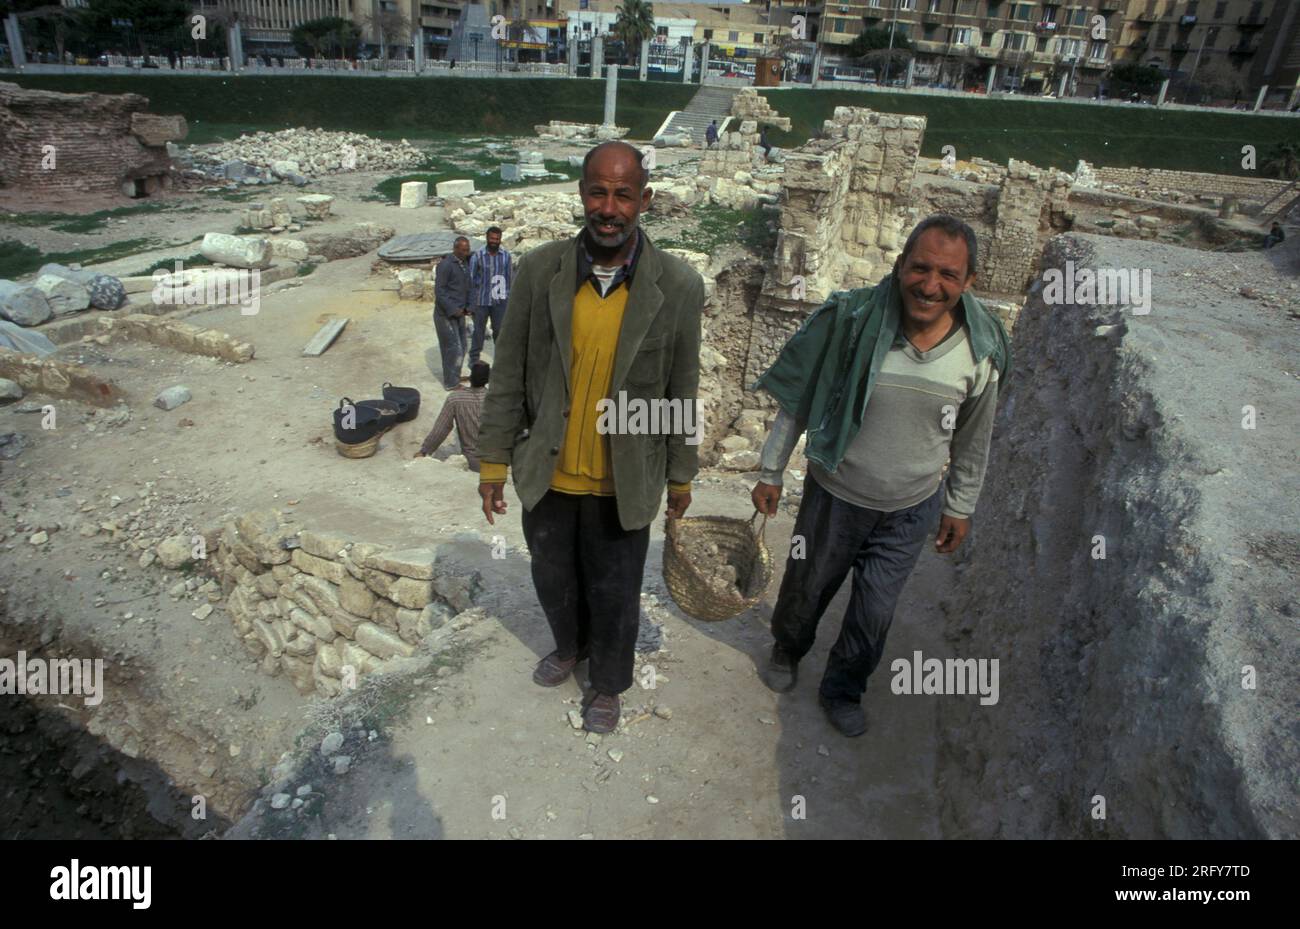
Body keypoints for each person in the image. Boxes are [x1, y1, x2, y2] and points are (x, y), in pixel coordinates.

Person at [750, 214, 1011, 738]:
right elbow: (801, 401)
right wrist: (771, 469)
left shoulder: (979, 354)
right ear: (899, 265)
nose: (930, 286)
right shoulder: (854, 322)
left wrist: (960, 505)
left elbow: (973, 437)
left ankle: (843, 689)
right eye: (920, 268)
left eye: (948, 275)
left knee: (875, 610)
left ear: (969, 283)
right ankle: (788, 647)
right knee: (808, 586)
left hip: (911, 508)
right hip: (834, 494)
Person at [476, 141, 705, 734]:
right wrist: (493, 463)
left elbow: (683, 386)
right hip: (548, 472)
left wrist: (682, 473)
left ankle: (608, 684)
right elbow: (506, 375)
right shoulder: (541, 272)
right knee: (553, 578)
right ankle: (568, 646)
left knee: (615, 592)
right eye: (598, 192)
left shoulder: (677, 285)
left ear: (644, 201)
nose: (609, 207)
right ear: (582, 194)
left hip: (620, 480)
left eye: (623, 195)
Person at [419, 362, 490, 470]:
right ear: (487, 380)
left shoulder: (455, 398)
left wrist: (424, 451)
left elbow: (441, 429)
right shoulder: (497, 399)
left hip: (473, 462)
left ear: (470, 378)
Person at [468, 226, 512, 367]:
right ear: (487, 238)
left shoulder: (506, 256)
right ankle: (474, 360)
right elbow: (471, 278)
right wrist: (470, 302)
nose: (494, 241)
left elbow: (508, 279)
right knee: (478, 332)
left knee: (499, 332)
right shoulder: (478, 255)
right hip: (481, 300)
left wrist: (507, 300)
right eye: (492, 238)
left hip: (499, 300)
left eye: (497, 239)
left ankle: (500, 361)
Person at [433, 236, 473, 389]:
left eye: (467, 250)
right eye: (463, 250)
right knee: (452, 347)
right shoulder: (445, 265)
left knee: (462, 346)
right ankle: (451, 382)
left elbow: (467, 287)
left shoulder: (464, 264)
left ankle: (454, 375)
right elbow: (440, 292)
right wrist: (453, 309)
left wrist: (468, 306)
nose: (465, 252)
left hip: (459, 312)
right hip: (446, 315)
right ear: (455, 249)